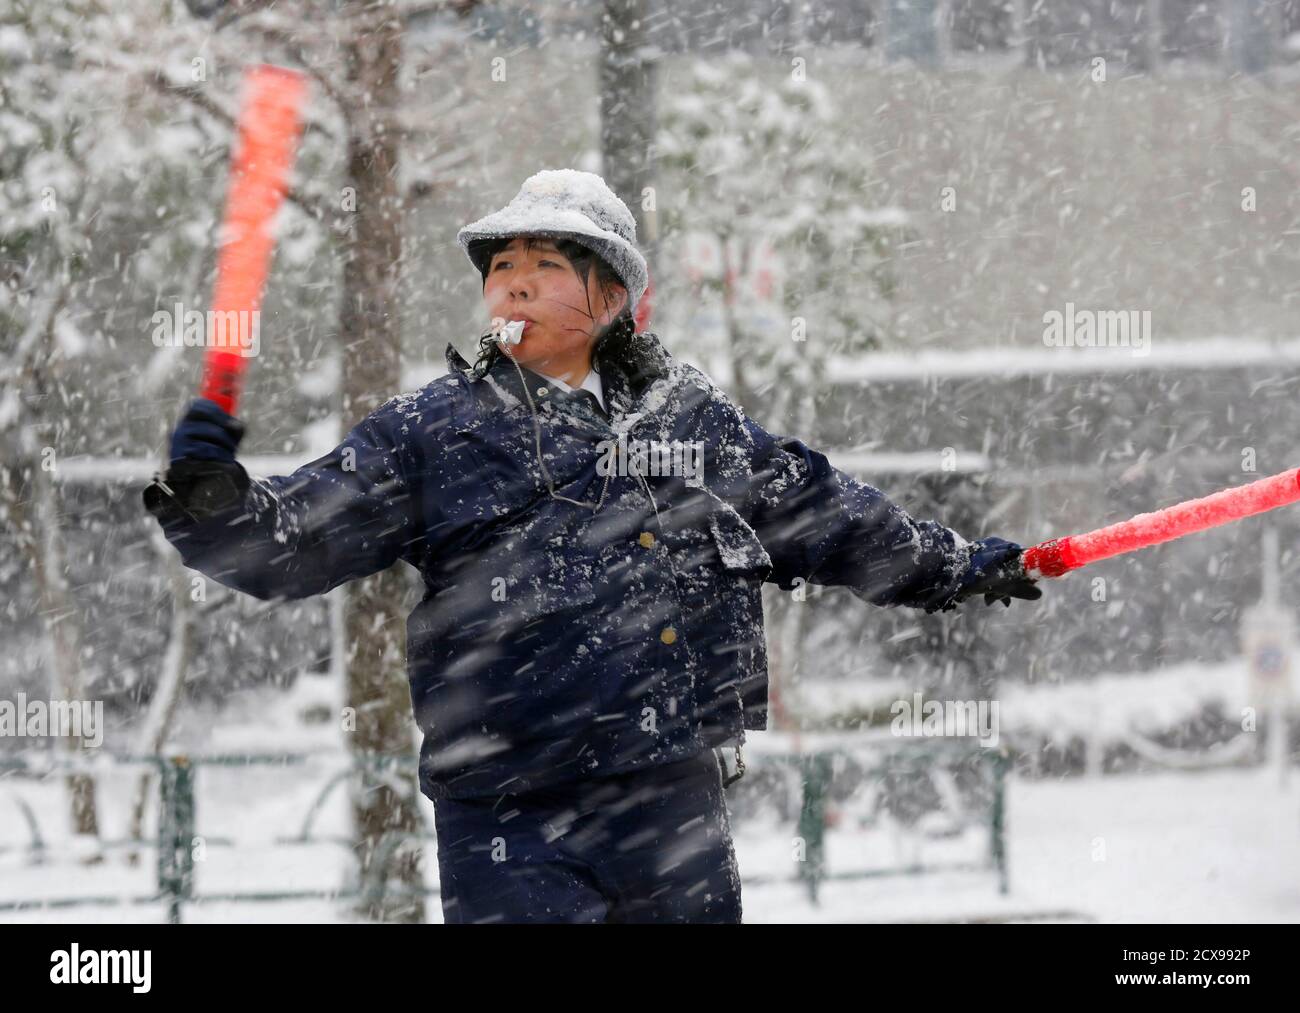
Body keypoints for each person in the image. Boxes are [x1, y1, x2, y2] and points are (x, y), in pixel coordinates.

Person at [143, 168, 1041, 923]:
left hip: (672, 802)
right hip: (505, 812)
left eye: (544, 263)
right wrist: (213, 504)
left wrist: (957, 566)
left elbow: (821, 511)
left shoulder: (692, 423)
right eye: (501, 268)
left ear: (613, 298)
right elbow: (286, 544)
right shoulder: (433, 431)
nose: (516, 284)